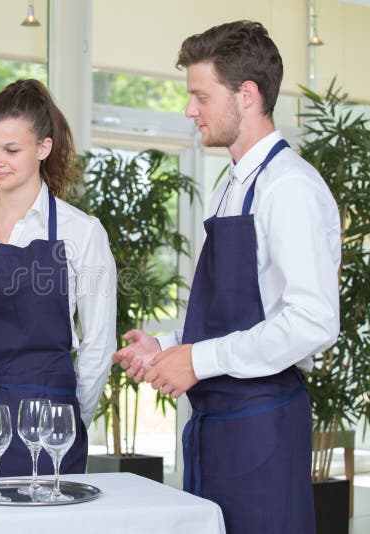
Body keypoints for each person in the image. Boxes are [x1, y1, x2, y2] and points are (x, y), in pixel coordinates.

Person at [112, 21, 340, 533]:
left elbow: (312, 322)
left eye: (200, 95)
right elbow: (235, 310)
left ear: (247, 94)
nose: (189, 110)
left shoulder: (291, 188)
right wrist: (169, 346)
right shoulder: (231, 185)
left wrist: (198, 359)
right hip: (216, 429)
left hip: (263, 430)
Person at [0, 79, 117, 480]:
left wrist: (69, 420)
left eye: (11, 149)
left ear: (43, 148)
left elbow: (99, 344)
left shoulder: (82, 233)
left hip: (46, 425)